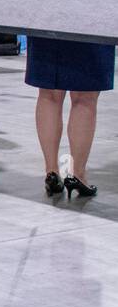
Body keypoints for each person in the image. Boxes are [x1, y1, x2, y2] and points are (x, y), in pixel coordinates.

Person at [27, 36, 113, 198]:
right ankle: (78, 174)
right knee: (85, 97)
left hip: (49, 17)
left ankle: (51, 171)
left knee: (49, 94)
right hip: (91, 21)